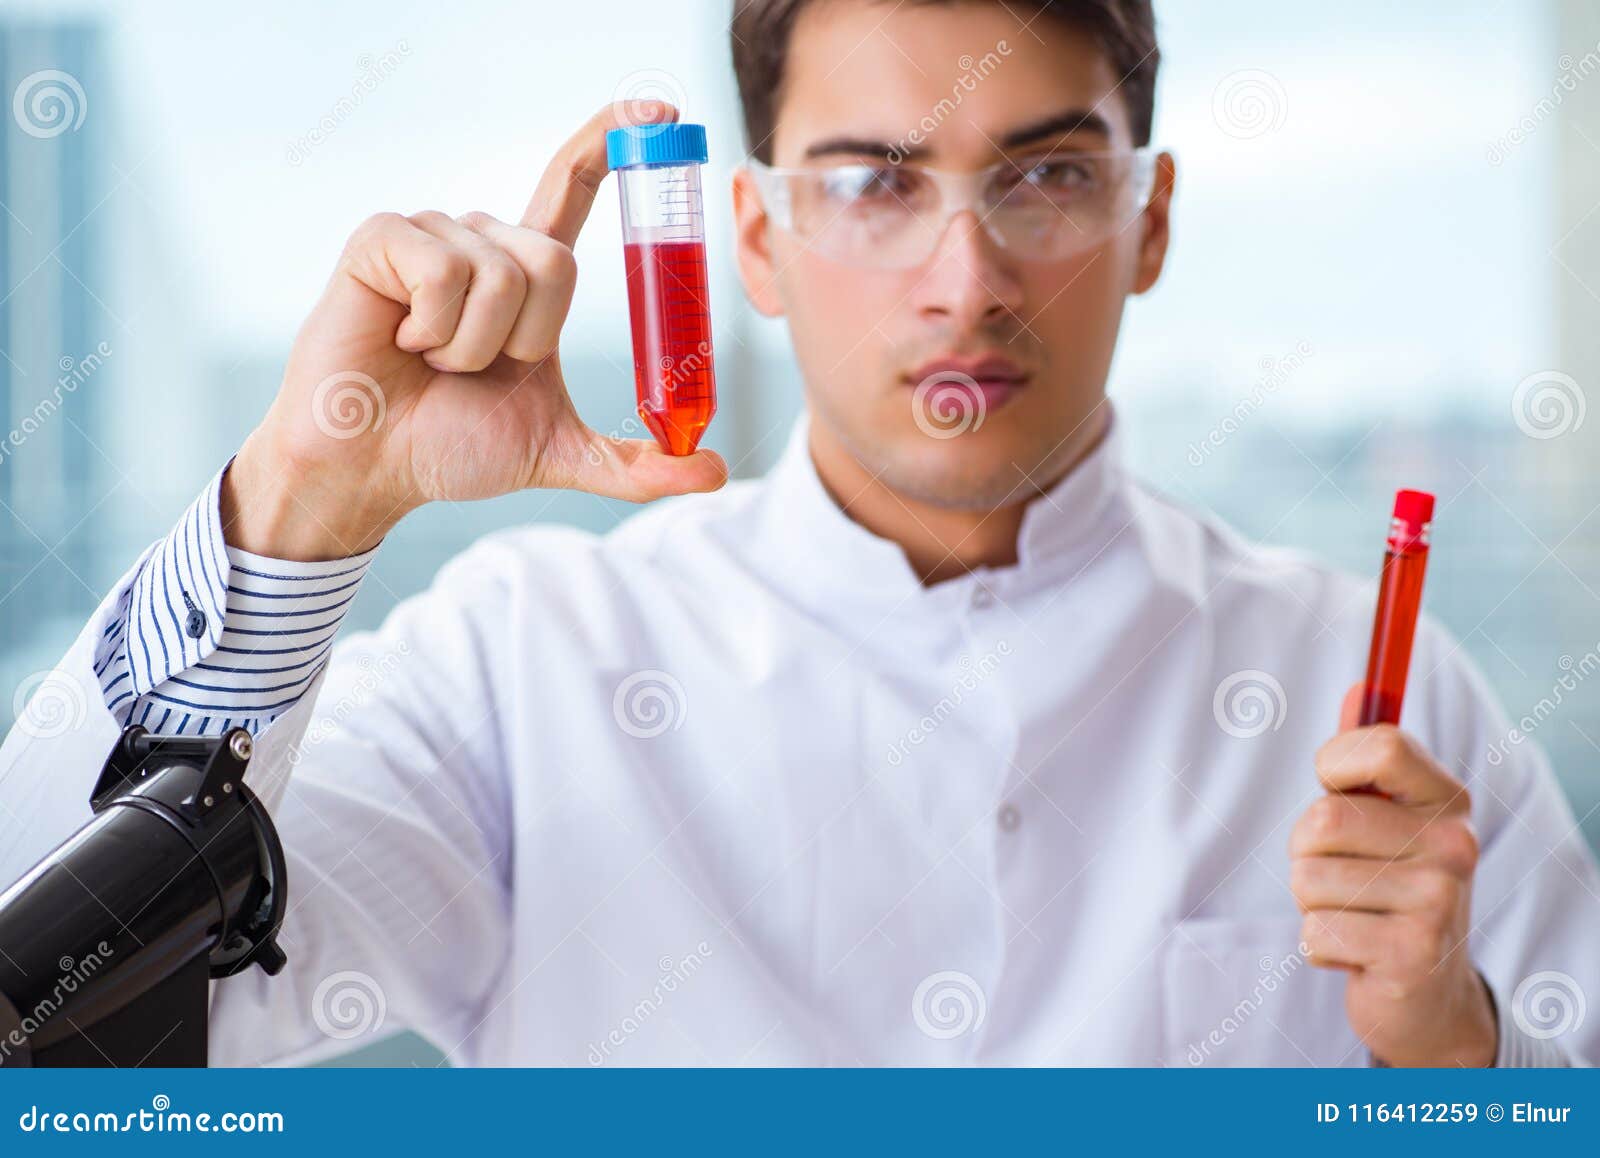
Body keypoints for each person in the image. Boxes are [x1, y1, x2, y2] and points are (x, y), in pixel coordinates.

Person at [2, 0, 1596, 1066]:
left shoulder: (1376, 703)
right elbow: (53, 1000)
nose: (965, 278)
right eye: (875, 185)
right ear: (750, 236)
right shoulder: (527, 665)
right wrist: (301, 500)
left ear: (1150, 218)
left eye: (1044, 175)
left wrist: (1462, 1056)